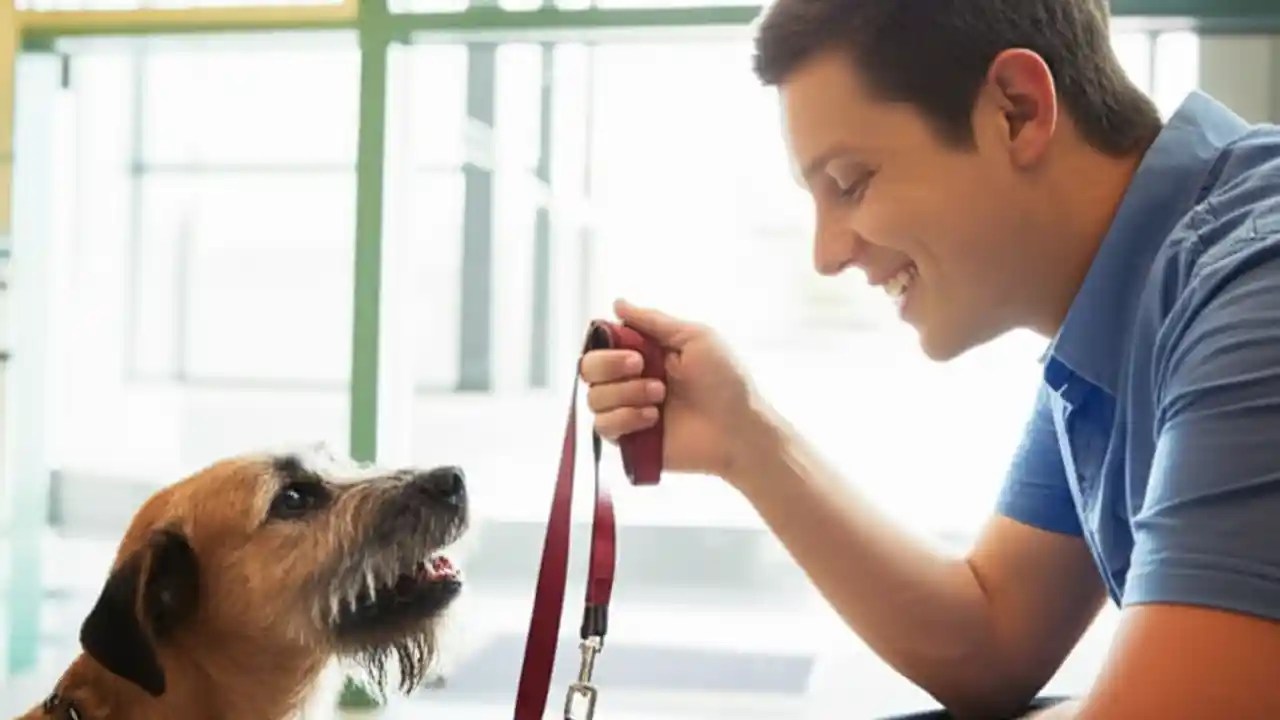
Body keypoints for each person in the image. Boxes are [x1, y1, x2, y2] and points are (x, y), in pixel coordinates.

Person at [577, 1, 1280, 718]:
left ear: (1017, 109)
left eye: (851, 182)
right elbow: (991, 641)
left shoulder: (1257, 294)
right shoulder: (1120, 312)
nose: (826, 254)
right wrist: (743, 440)